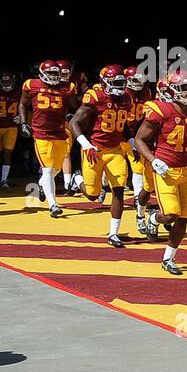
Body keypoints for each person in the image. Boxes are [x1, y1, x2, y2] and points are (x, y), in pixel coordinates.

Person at [135, 70, 187, 275]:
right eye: (184, 87)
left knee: (184, 217)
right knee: (170, 215)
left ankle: (169, 258)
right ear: (173, 89)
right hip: (165, 170)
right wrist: (153, 160)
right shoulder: (162, 111)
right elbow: (140, 139)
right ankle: (152, 219)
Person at [70, 65, 137, 247]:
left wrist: (132, 143)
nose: (119, 86)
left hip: (115, 150)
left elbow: (122, 124)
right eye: (115, 82)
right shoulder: (95, 97)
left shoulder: (126, 99)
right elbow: (73, 123)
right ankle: (77, 180)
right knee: (93, 195)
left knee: (119, 190)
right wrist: (86, 144)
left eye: (121, 82)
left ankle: (113, 233)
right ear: (104, 82)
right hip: (95, 149)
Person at [21, 59, 78, 216]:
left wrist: (72, 115)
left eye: (56, 73)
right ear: (41, 73)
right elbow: (22, 104)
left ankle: (41, 184)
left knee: (57, 168)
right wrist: (24, 123)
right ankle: (53, 204)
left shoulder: (67, 88)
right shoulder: (31, 85)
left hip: (59, 132)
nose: (54, 76)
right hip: (41, 133)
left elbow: (74, 107)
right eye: (51, 73)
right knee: (47, 170)